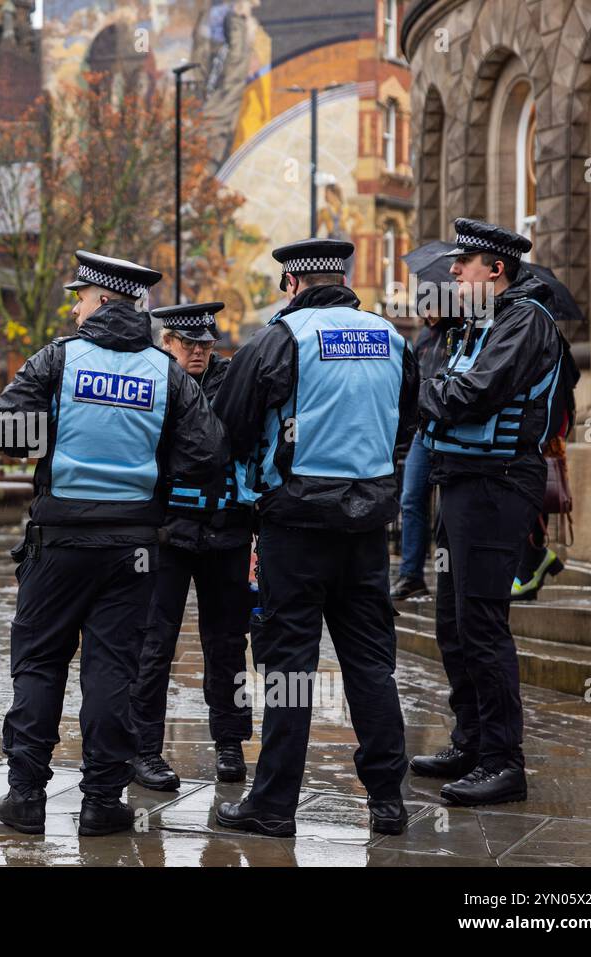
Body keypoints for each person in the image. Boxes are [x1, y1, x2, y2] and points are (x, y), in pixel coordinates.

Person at [0, 251, 228, 837]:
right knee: (112, 672)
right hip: (134, 547)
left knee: (40, 664)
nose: (74, 306)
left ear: (101, 300)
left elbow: (5, 431)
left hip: (59, 540)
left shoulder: (58, 360)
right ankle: (101, 802)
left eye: (80, 296)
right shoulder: (164, 372)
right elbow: (209, 455)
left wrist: (57, 434)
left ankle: (25, 798)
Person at [211, 238, 418, 838]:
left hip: (294, 527)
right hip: (366, 529)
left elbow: (230, 423)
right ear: (342, 279)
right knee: (371, 665)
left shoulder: (283, 337)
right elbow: (408, 420)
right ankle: (388, 801)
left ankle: (273, 805)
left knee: (289, 670)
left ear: (292, 284)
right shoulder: (390, 337)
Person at [412, 218, 570, 806]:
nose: (453, 271)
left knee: (481, 623)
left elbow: (472, 394)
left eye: (464, 263)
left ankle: (504, 762)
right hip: (462, 484)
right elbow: (448, 392)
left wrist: (415, 393)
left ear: (495, 269)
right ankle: (471, 740)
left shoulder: (525, 321)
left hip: (496, 486)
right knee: (452, 623)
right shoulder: (481, 323)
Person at [128, 302, 254, 792]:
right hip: (168, 534)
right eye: (189, 343)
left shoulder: (237, 380)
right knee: (153, 644)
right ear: (167, 342)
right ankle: (144, 749)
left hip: (227, 530)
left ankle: (230, 742)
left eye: (205, 343)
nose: (199, 351)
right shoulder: (151, 380)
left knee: (227, 644)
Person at [392, 289, 461, 599]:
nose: (429, 312)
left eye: (433, 305)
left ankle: (451, 574)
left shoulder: (462, 331)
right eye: (425, 306)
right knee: (411, 498)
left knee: (448, 506)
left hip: (452, 428)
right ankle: (411, 575)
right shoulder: (424, 336)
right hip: (424, 429)